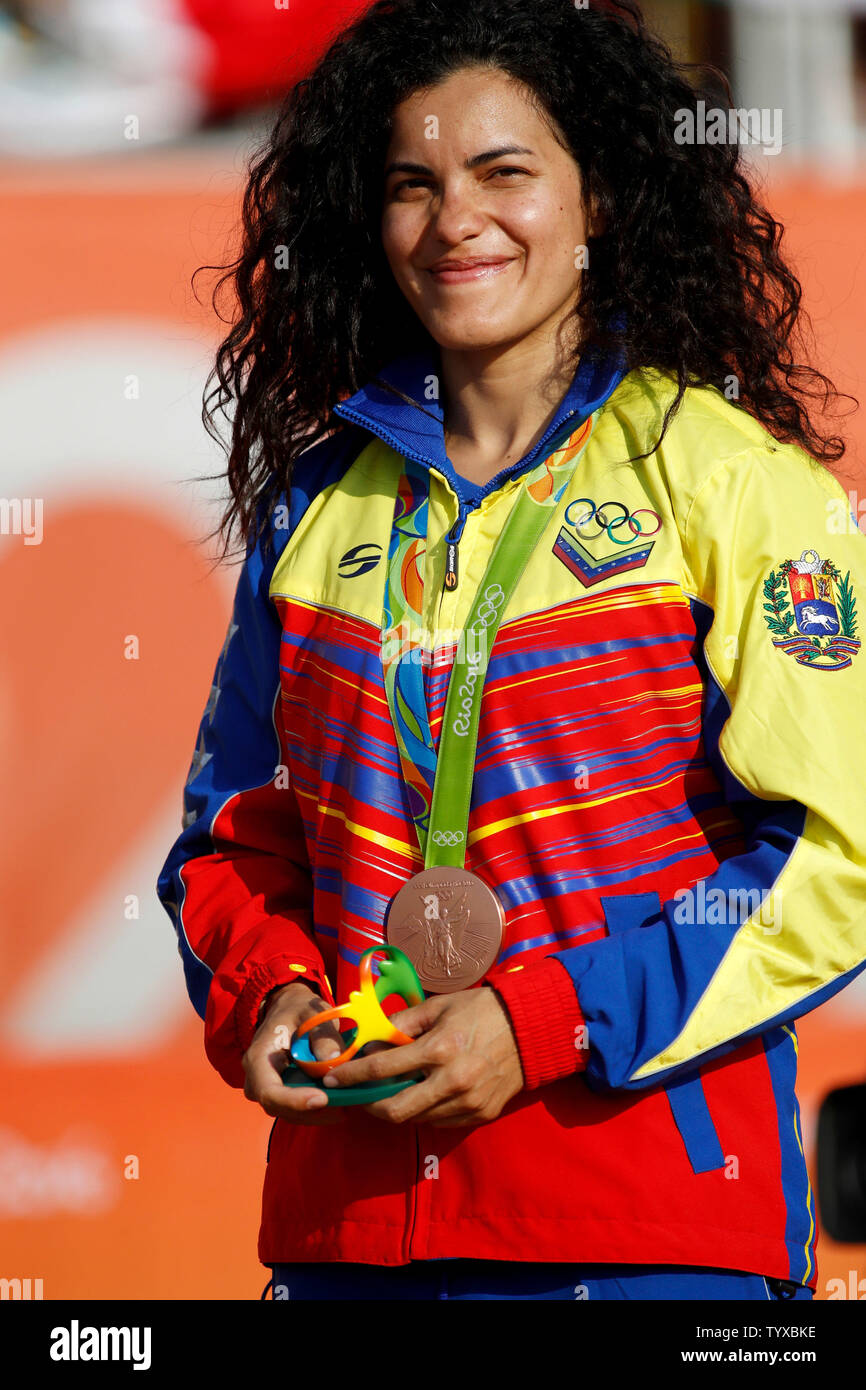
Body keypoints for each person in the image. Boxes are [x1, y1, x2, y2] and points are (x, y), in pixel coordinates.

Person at [156, 0, 866, 1301]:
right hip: (348, 1230)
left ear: (594, 198)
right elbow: (233, 835)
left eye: (503, 172)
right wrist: (269, 995)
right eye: (410, 185)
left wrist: (544, 1020)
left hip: (648, 1237)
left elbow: (837, 855)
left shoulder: (732, 485)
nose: (454, 220)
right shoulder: (319, 503)